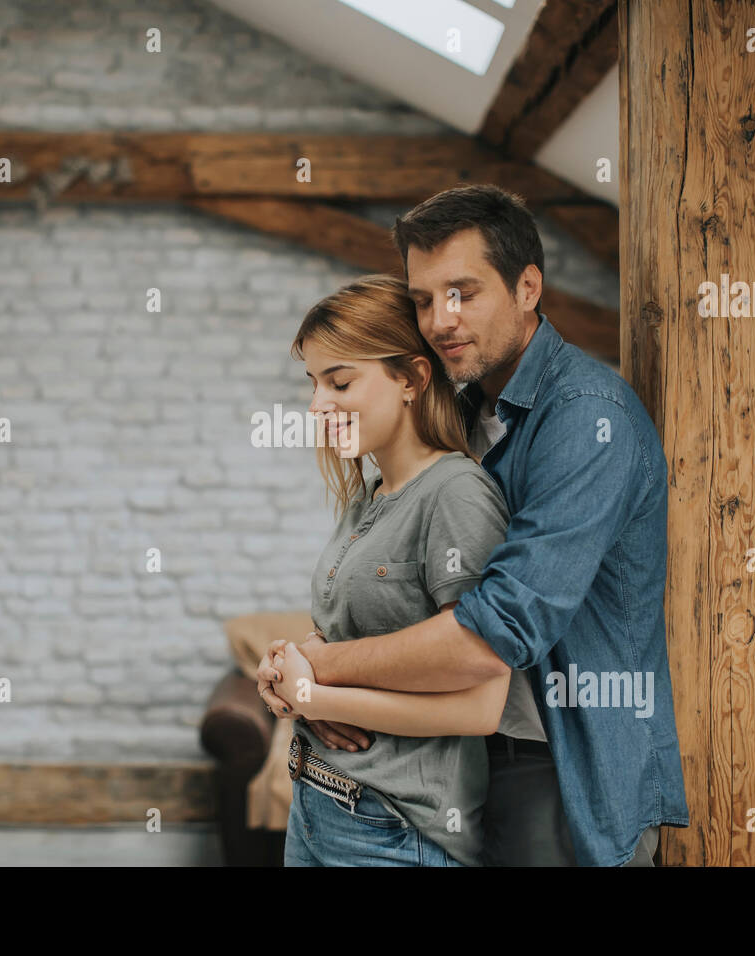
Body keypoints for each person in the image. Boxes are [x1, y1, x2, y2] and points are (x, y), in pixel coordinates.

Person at [261, 185, 689, 866]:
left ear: (527, 287)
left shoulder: (586, 417)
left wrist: (320, 672)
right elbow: (398, 605)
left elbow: (497, 633)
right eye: (424, 300)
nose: (441, 319)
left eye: (463, 292)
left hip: (563, 765)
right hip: (473, 765)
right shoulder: (459, 418)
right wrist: (305, 675)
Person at [263, 273, 531, 867]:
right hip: (315, 803)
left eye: (339, 381)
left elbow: (481, 709)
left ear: (411, 378)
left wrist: (320, 698)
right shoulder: (370, 493)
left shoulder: (457, 494)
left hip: (390, 831)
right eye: (313, 384)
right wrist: (286, 664)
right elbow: (347, 641)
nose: (317, 405)